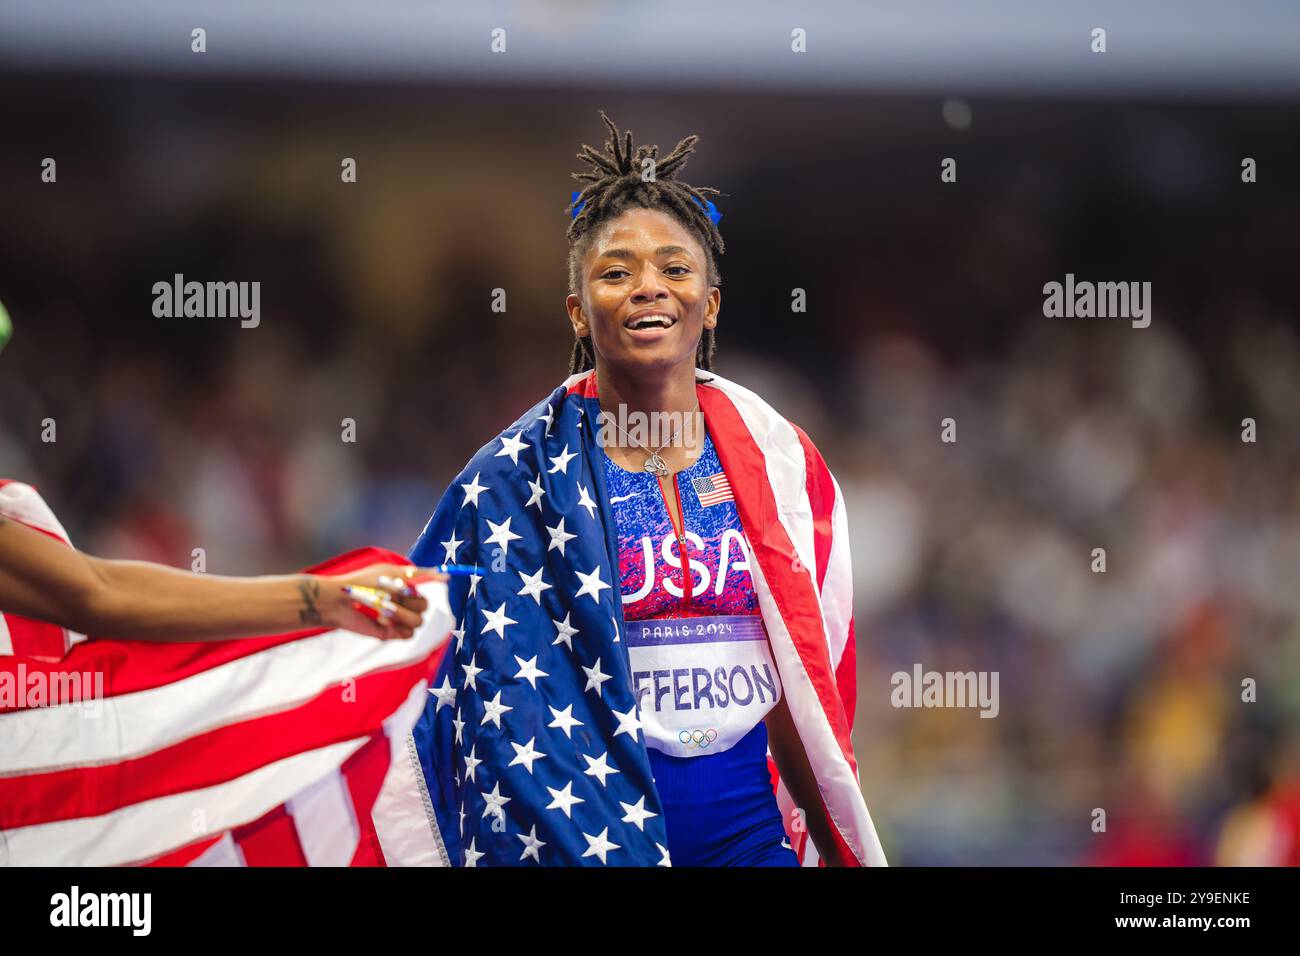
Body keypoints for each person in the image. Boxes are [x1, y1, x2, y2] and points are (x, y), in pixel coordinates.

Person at [393, 113, 886, 867]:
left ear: (710, 303)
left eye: (676, 269)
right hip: (586, 833)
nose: (648, 287)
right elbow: (439, 650)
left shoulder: (779, 462)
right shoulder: (513, 477)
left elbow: (800, 685)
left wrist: (829, 838)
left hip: (746, 835)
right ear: (578, 313)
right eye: (616, 272)